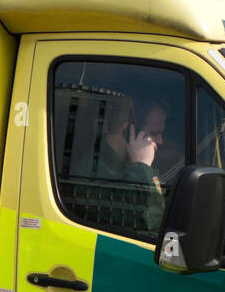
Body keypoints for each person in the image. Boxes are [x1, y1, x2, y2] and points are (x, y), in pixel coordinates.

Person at [67, 96, 168, 234]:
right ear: (128, 131)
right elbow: (127, 216)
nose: (160, 141)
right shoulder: (90, 173)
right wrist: (141, 165)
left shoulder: (138, 167)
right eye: (155, 133)